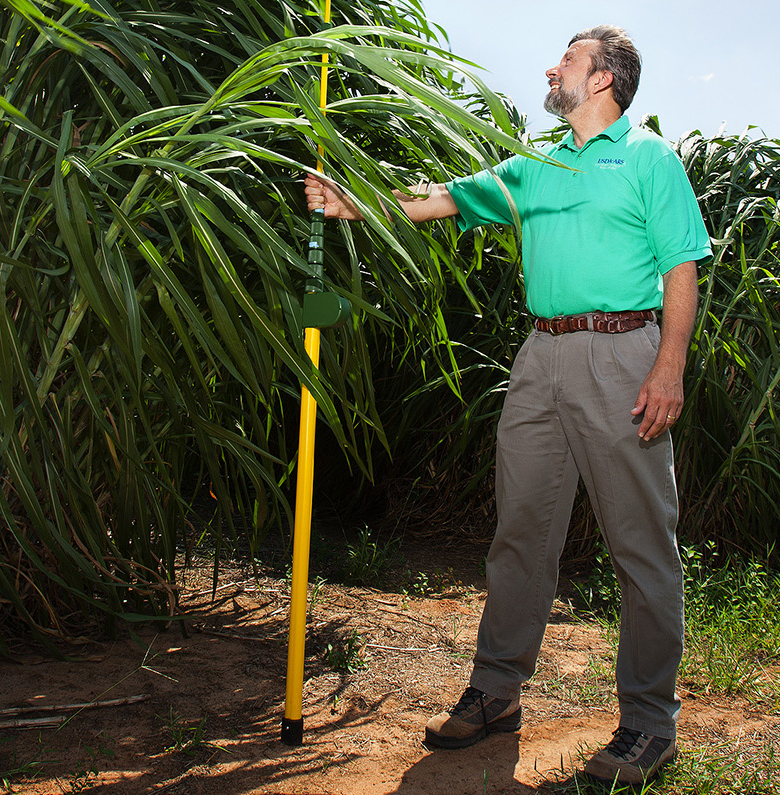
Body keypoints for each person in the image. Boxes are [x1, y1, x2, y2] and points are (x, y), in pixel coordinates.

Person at [304, 24, 709, 787]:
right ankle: (495, 692)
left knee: (642, 547)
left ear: (602, 80)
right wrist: (351, 203)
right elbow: (444, 199)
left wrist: (669, 368)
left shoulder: (649, 158)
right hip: (540, 359)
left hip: (625, 353)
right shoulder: (536, 161)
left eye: (568, 60)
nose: (552, 68)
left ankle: (650, 725)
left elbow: (681, 265)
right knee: (520, 529)